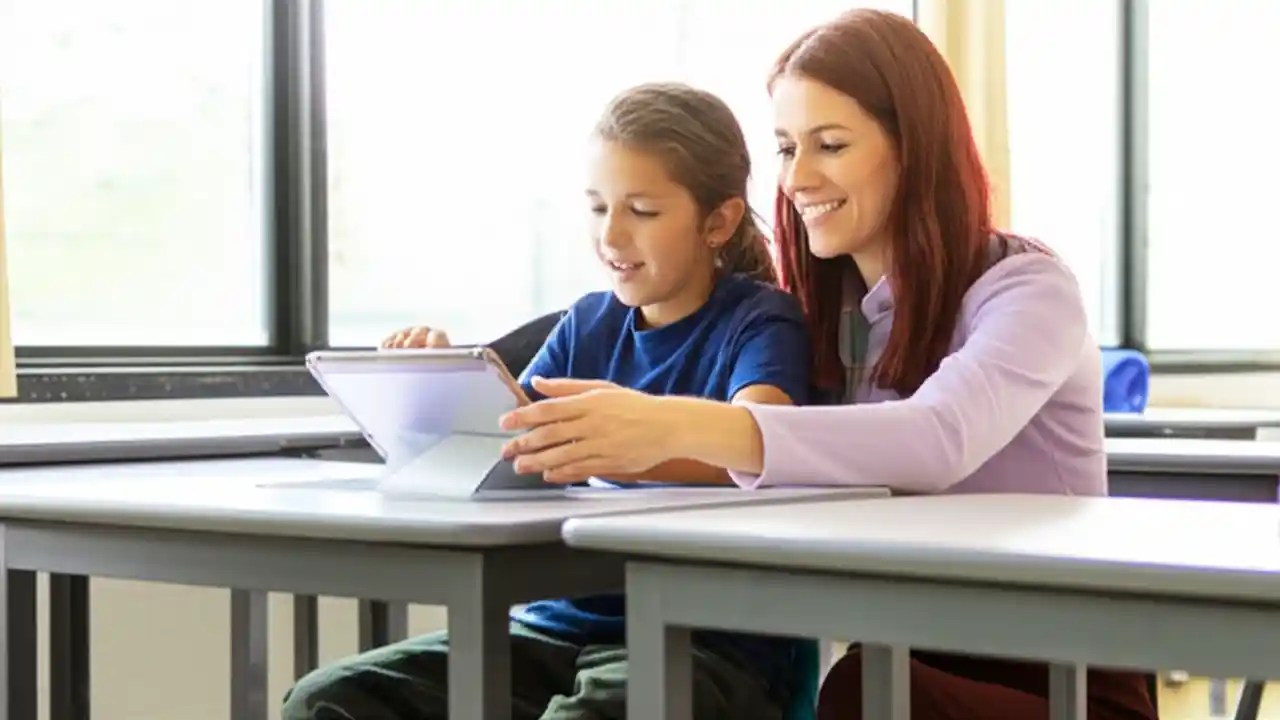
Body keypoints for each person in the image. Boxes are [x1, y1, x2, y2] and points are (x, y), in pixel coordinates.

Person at [487, 9, 1159, 720]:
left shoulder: (1028, 290)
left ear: (915, 150)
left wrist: (676, 425)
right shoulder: (821, 314)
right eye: (785, 148)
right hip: (902, 658)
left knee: (863, 692)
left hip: (1055, 680)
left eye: (830, 145)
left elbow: (936, 439)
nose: (798, 177)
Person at [283, 81, 812, 720]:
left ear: (718, 221)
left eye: (642, 211)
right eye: (597, 208)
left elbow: (767, 440)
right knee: (329, 702)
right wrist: (433, 386)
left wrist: (630, 444)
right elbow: (509, 443)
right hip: (556, 625)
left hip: (705, 639)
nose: (612, 235)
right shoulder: (586, 323)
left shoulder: (761, 323)